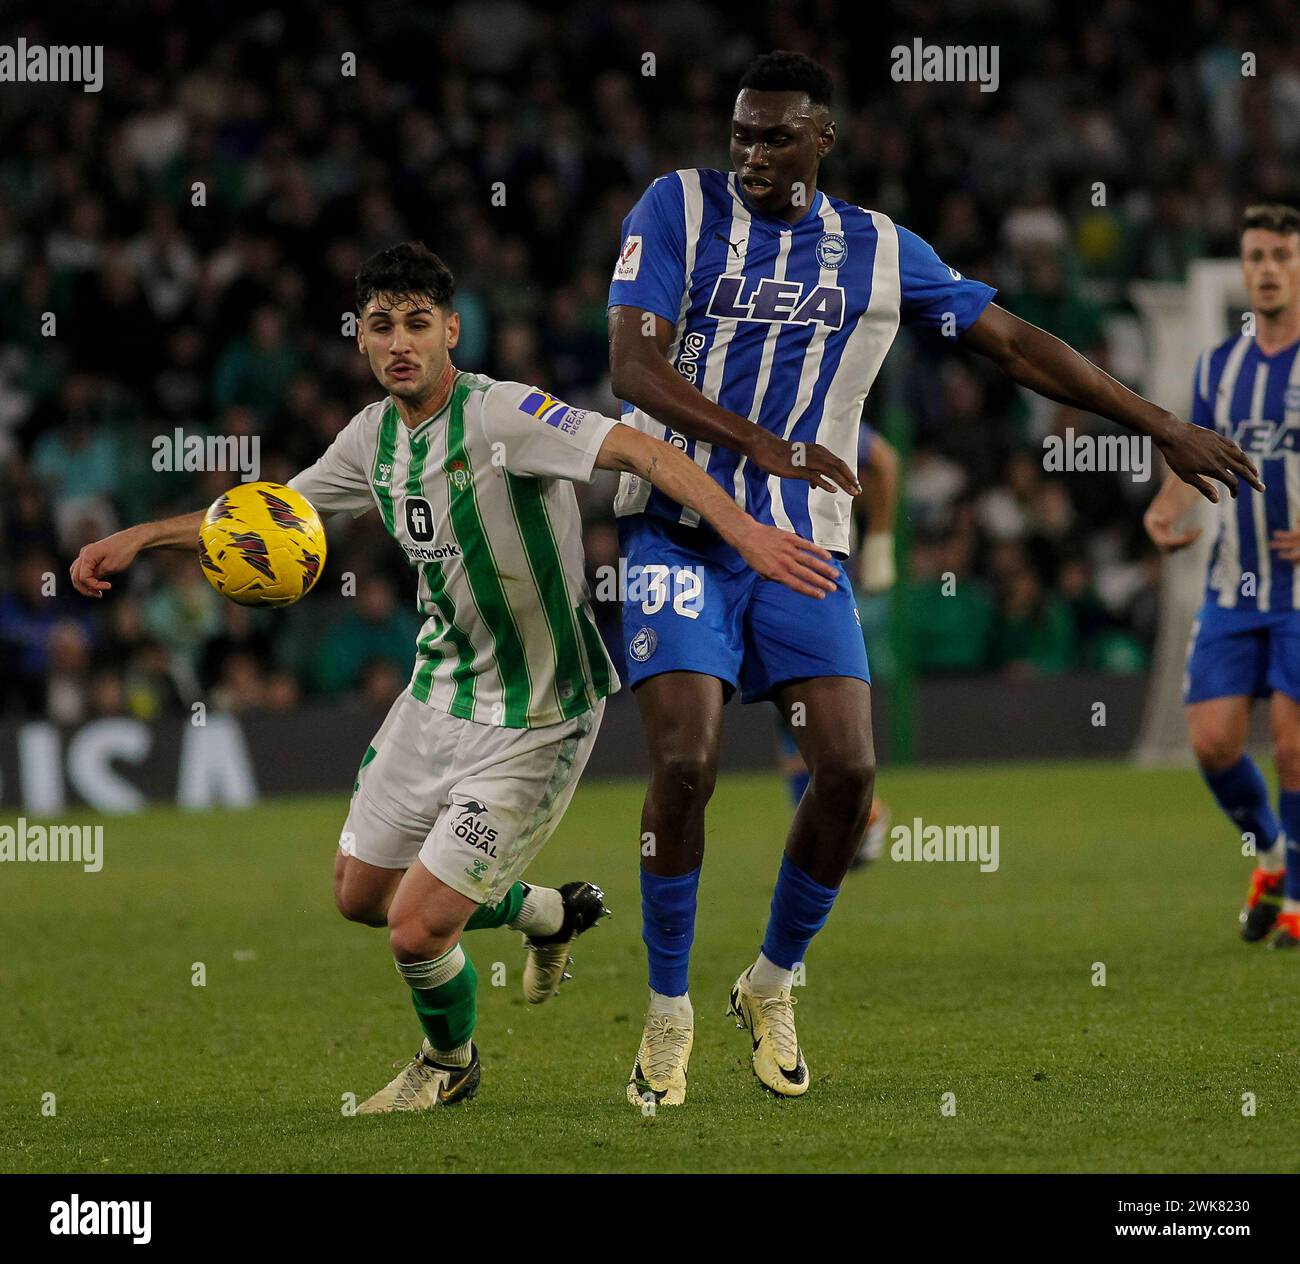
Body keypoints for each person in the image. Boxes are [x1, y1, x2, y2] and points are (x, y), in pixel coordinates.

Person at [607, 50, 1260, 1106]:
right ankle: (666, 1009)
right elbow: (632, 372)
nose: (752, 155)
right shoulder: (675, 206)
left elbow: (1008, 342)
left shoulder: (874, 250)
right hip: (676, 529)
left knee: (850, 775)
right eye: (741, 133)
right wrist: (757, 443)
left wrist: (1156, 424)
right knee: (686, 761)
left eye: (777, 136)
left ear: (825, 139)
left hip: (801, 543)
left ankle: (769, 982)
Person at [71, 241, 837, 1113]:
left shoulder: (506, 416)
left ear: (452, 331)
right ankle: (546, 913)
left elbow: (643, 454)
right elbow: (272, 514)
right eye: (381, 326)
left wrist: (747, 533)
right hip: (437, 693)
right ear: (360, 338)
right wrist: (141, 537)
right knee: (360, 896)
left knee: (416, 928)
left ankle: (450, 1062)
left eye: (418, 324)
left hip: (539, 715)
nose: (400, 342)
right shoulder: (371, 437)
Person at [1144, 204, 1300, 947]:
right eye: (1256, 257)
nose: (1266, 269)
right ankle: (1271, 849)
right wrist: (1165, 509)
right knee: (1211, 742)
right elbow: (1192, 460)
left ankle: (1297, 898)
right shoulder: (1219, 368)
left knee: (1295, 749)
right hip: (1233, 584)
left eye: (1280, 255)